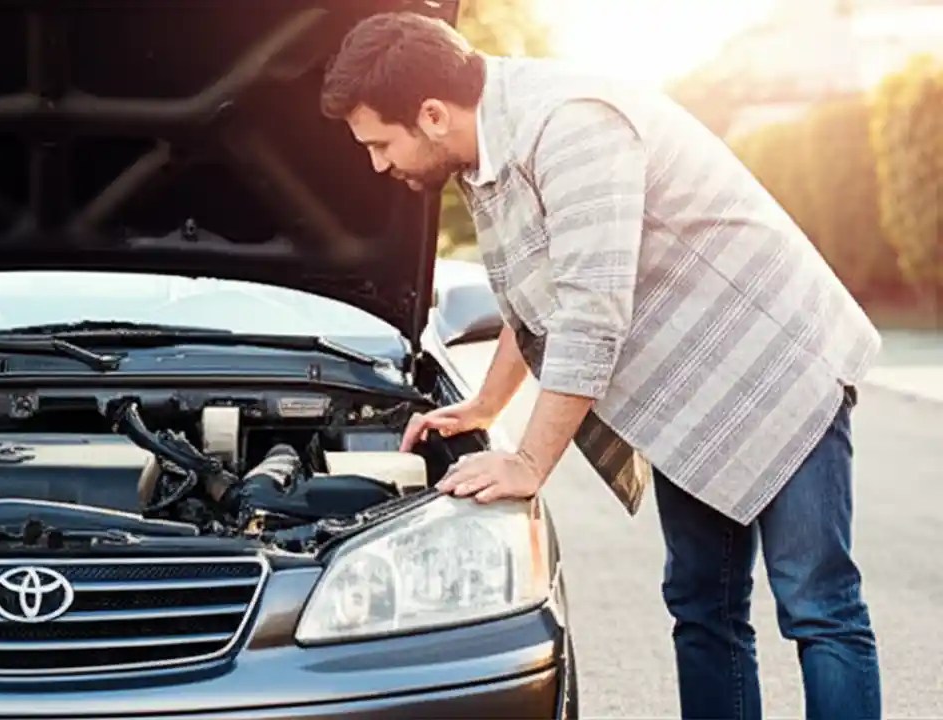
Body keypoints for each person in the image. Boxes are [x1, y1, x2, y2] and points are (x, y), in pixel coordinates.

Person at [319, 11, 882, 720]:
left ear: (431, 114)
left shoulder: (570, 126)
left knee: (816, 604)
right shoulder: (483, 150)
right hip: (690, 396)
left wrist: (528, 460)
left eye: (379, 143)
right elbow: (537, 298)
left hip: (775, 371)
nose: (377, 164)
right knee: (702, 606)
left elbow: (590, 314)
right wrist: (488, 407)